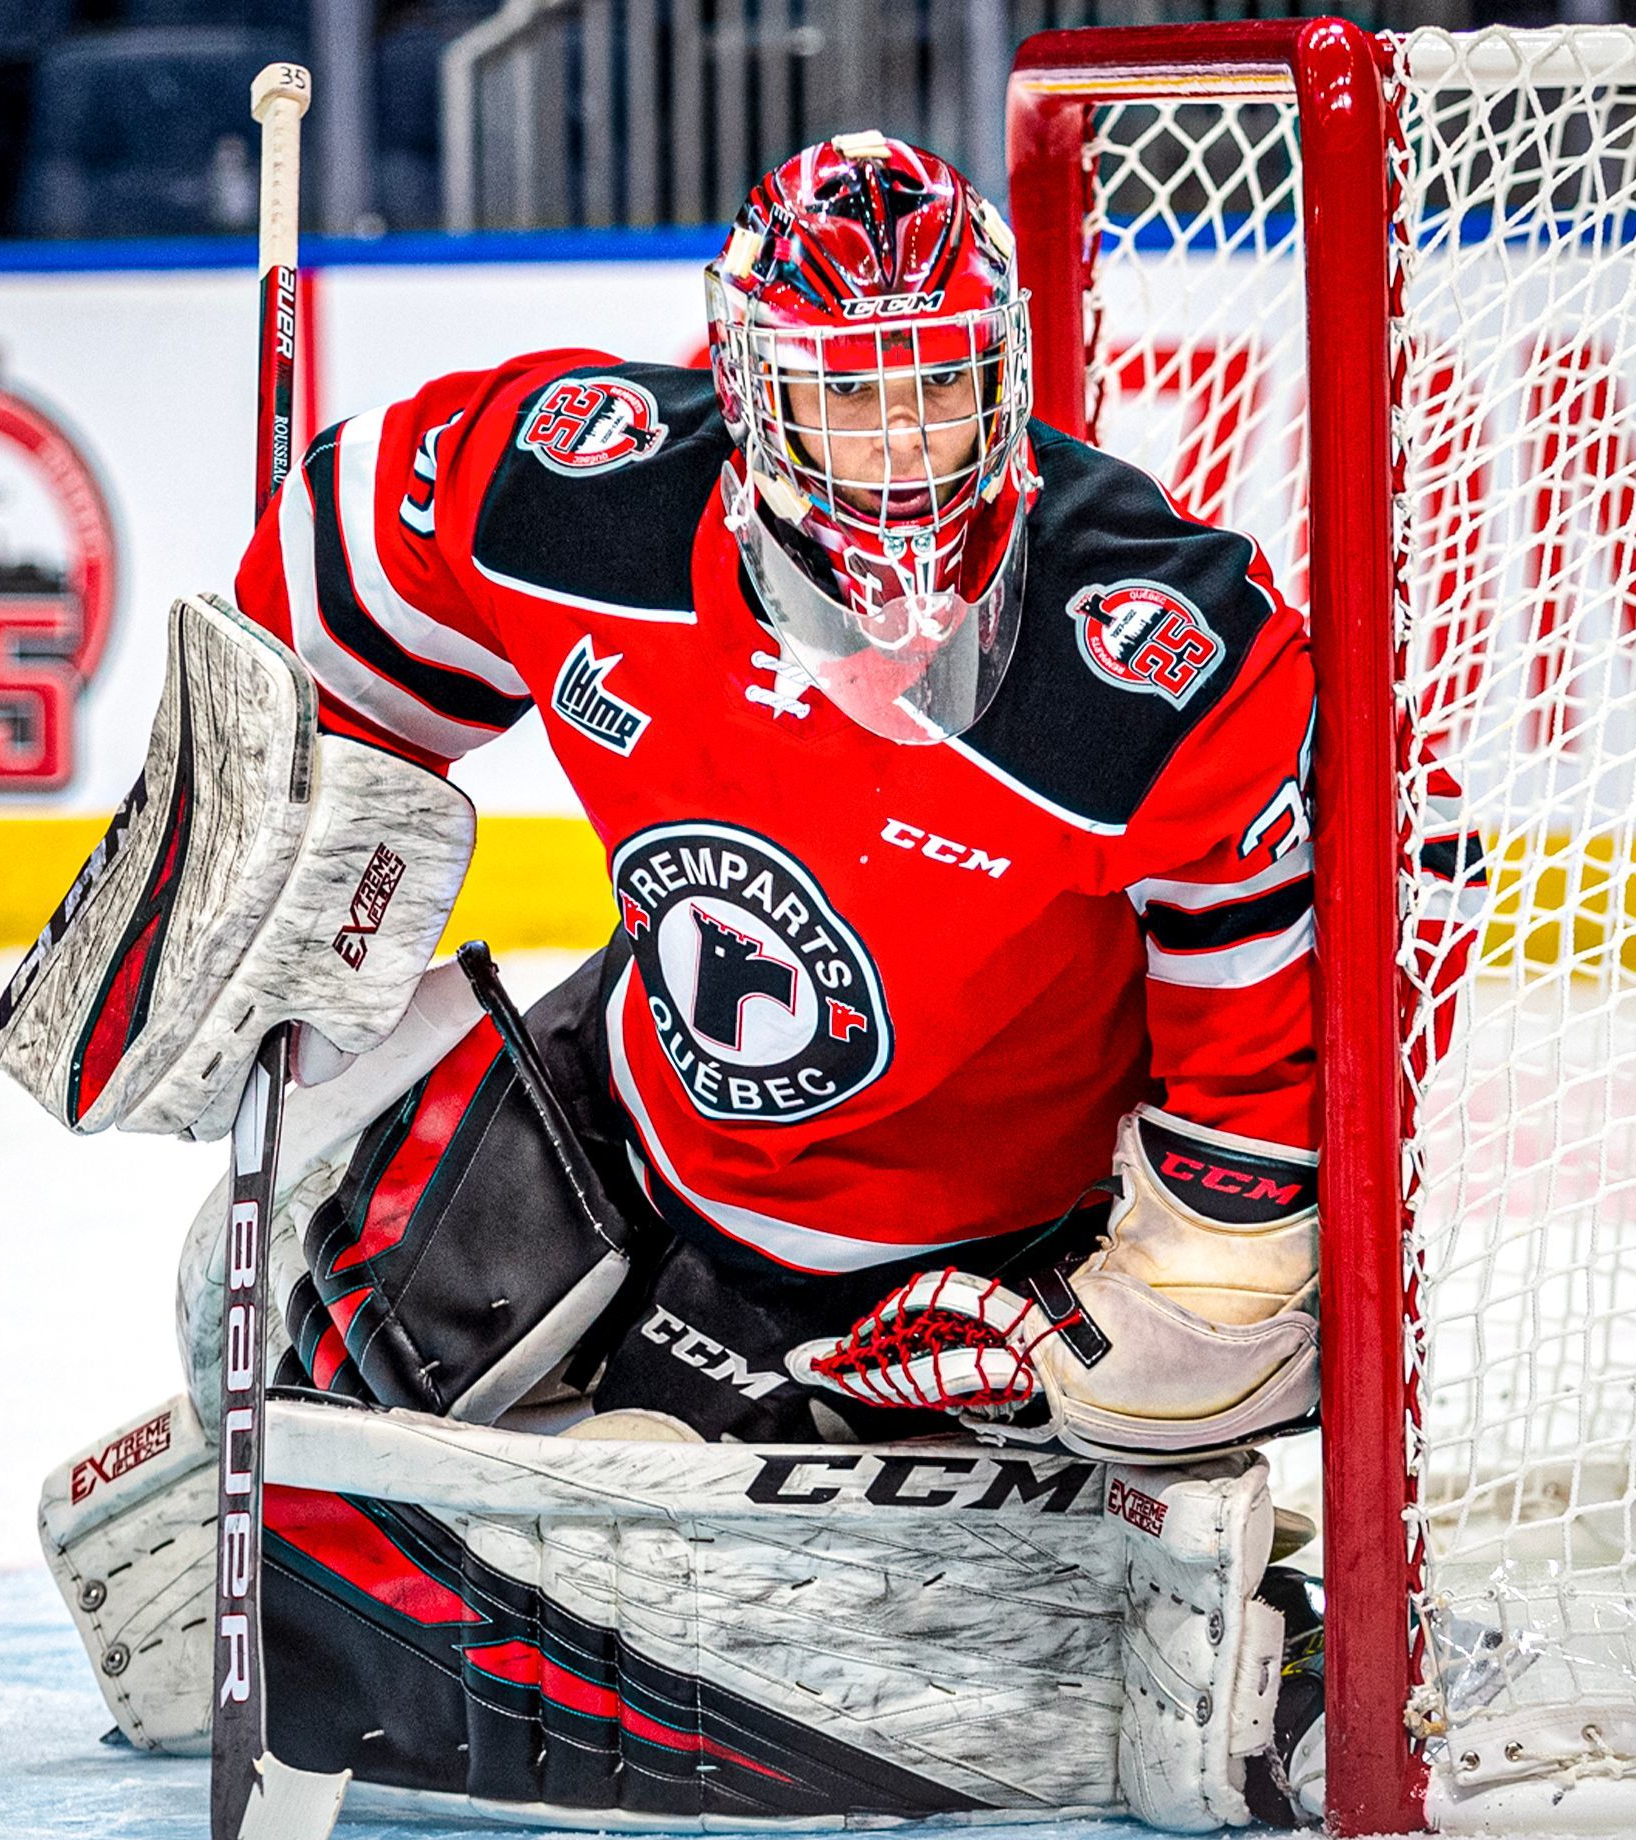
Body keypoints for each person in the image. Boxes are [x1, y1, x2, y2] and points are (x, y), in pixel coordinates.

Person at [216, 130, 1323, 1462]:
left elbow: (1271, 1041)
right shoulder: (588, 494)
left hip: (989, 1262)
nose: (905, 446)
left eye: (941, 381)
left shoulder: (1152, 650)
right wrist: (267, 826)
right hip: (630, 1137)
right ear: (745, 389)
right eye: (847, 395)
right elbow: (343, 561)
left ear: (1007, 366)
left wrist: (1108, 1314)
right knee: (315, 1394)